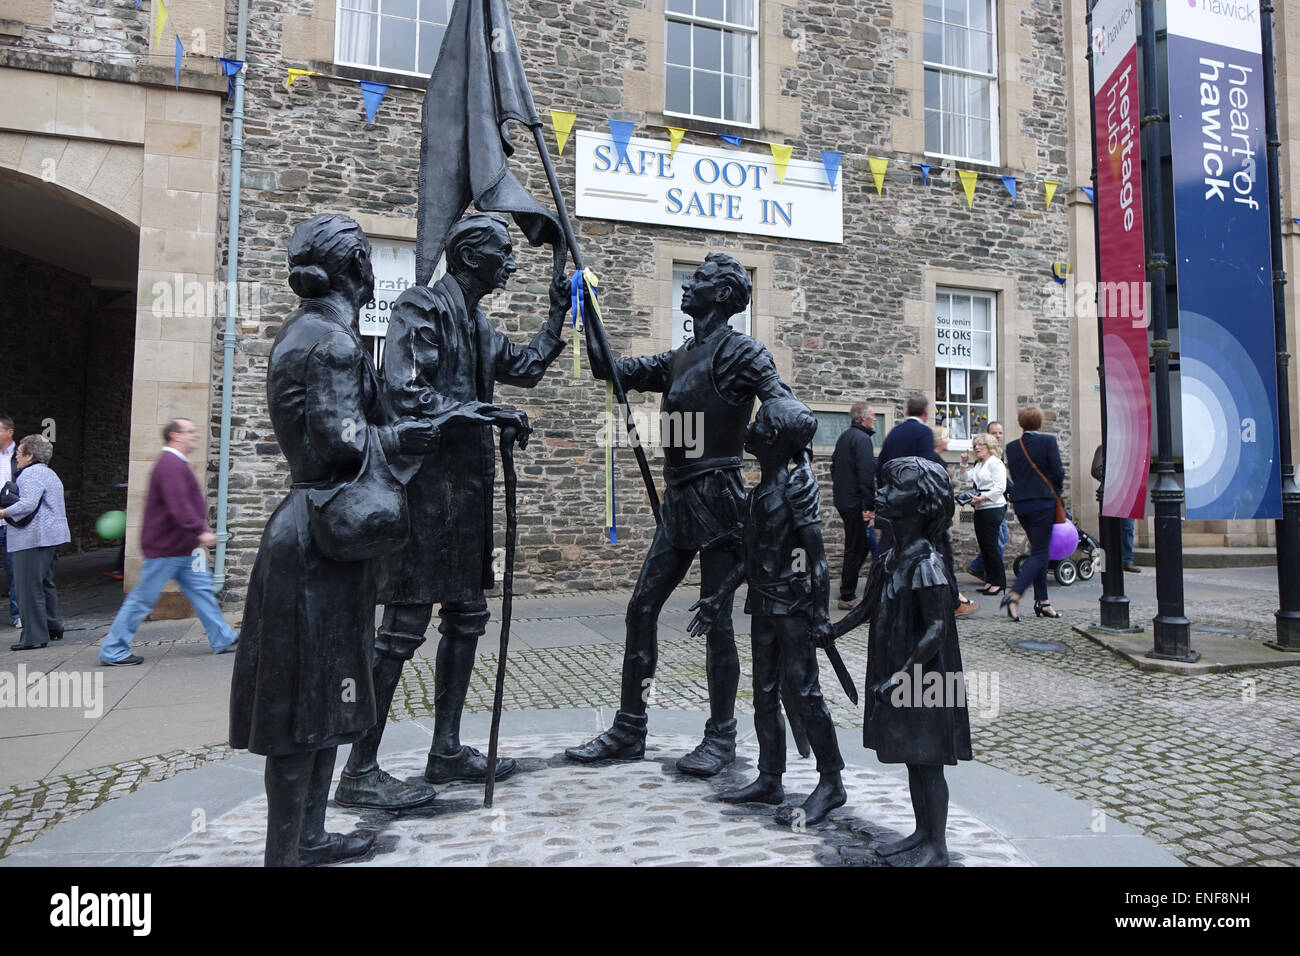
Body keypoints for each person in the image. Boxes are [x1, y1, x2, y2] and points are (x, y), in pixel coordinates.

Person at [229, 214, 483, 866]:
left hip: (323, 537)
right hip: (315, 541)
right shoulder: (334, 345)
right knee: (300, 710)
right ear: (355, 271)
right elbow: (342, 441)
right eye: (368, 263)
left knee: (322, 702)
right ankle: (286, 852)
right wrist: (407, 437)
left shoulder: (317, 333)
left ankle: (309, 837)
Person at [334, 212, 570, 810]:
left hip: (467, 495)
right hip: (423, 493)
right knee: (403, 630)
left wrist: (557, 311)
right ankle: (361, 769)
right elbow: (408, 394)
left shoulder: (479, 323)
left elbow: (527, 368)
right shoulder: (419, 308)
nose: (511, 263)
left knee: (466, 618)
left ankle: (446, 750)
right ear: (469, 258)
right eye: (502, 254)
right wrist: (487, 415)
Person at [566, 253, 795, 777]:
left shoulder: (744, 353)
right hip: (680, 502)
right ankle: (629, 727)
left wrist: (777, 478)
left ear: (722, 296)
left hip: (720, 502)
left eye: (700, 281)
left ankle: (721, 738)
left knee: (715, 622)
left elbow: (784, 408)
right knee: (641, 608)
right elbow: (611, 372)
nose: (688, 286)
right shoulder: (679, 357)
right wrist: (587, 308)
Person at [687, 399, 846, 826]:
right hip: (761, 607)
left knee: (807, 694)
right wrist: (718, 595)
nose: (750, 429)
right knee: (762, 696)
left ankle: (831, 782)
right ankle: (770, 776)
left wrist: (819, 614)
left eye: (758, 424)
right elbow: (750, 557)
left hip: (792, 608)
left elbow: (817, 560)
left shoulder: (796, 491)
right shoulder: (758, 495)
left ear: (773, 440)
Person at [835, 456, 972, 866]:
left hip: (926, 677)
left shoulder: (927, 564)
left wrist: (901, 676)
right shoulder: (889, 560)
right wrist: (833, 630)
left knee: (929, 763)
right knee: (914, 757)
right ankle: (921, 833)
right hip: (901, 672)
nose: (882, 494)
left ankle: (938, 846)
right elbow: (867, 609)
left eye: (894, 488)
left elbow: (936, 631)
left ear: (922, 503)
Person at [98, 420, 239, 665]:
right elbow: (179, 504)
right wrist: (199, 531)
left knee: (202, 592)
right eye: (190, 432)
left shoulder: (175, 463)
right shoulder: (170, 464)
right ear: (175, 436)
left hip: (180, 548)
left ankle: (222, 637)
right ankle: (113, 649)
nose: (195, 435)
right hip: (166, 548)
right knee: (142, 598)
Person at [0, 435, 69, 650]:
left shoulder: (29, 474)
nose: (16, 456)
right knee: (45, 583)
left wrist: (3, 512)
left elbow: (27, 504)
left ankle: (34, 637)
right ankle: (52, 626)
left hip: (32, 538)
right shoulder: (49, 473)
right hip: (51, 536)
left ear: (30, 456)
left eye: (19, 452)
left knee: (28, 588)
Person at [1003, 406, 1065, 621]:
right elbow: (1058, 472)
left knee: (1038, 551)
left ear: (1021, 424)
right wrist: (1056, 490)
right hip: (1042, 503)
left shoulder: (1012, 447)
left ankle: (1043, 602)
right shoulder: (1047, 441)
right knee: (1040, 553)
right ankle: (1015, 594)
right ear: (1040, 424)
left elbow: (1016, 474)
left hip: (1021, 504)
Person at [830, 400, 876, 609]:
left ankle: (846, 586)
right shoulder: (862, 439)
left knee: (859, 546)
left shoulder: (844, 437)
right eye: (873, 415)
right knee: (856, 548)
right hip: (856, 502)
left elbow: (833, 468)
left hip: (844, 499)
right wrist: (869, 506)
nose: (875, 419)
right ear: (864, 418)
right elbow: (866, 474)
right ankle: (847, 596)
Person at [931, 425, 978, 616]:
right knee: (944, 559)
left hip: (936, 519)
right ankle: (954, 602)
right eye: (946, 437)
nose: (948, 441)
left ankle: (955, 598)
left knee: (943, 559)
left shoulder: (933, 459)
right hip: (938, 520)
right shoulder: (936, 462)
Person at [957, 433, 1007, 595]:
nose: (977, 448)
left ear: (990, 446)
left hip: (993, 507)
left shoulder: (995, 463)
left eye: (981, 444)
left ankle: (999, 582)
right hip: (980, 508)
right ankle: (990, 580)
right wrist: (963, 463)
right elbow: (964, 477)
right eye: (975, 445)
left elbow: (1000, 487)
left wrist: (982, 497)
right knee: (984, 547)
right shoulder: (979, 464)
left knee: (991, 546)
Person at [969, 420, 1009, 579]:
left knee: (999, 539)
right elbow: (979, 480)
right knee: (994, 543)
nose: (998, 436)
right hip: (987, 504)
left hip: (995, 504)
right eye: (994, 433)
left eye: (1000, 433)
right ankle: (990, 575)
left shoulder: (997, 457)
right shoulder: (983, 459)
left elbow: (1001, 483)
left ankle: (990, 574)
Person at [1091, 444, 1139, 572]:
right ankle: (1106, 562)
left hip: (1128, 493)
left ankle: (1127, 560)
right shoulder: (1104, 448)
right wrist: (1114, 478)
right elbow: (1096, 470)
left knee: (1128, 528)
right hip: (1111, 494)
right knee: (1108, 528)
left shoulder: (1131, 449)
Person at [0, 415, 19, 628]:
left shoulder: (22, 454)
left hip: (13, 520)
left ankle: (18, 613)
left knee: (15, 569)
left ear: (9, 432)